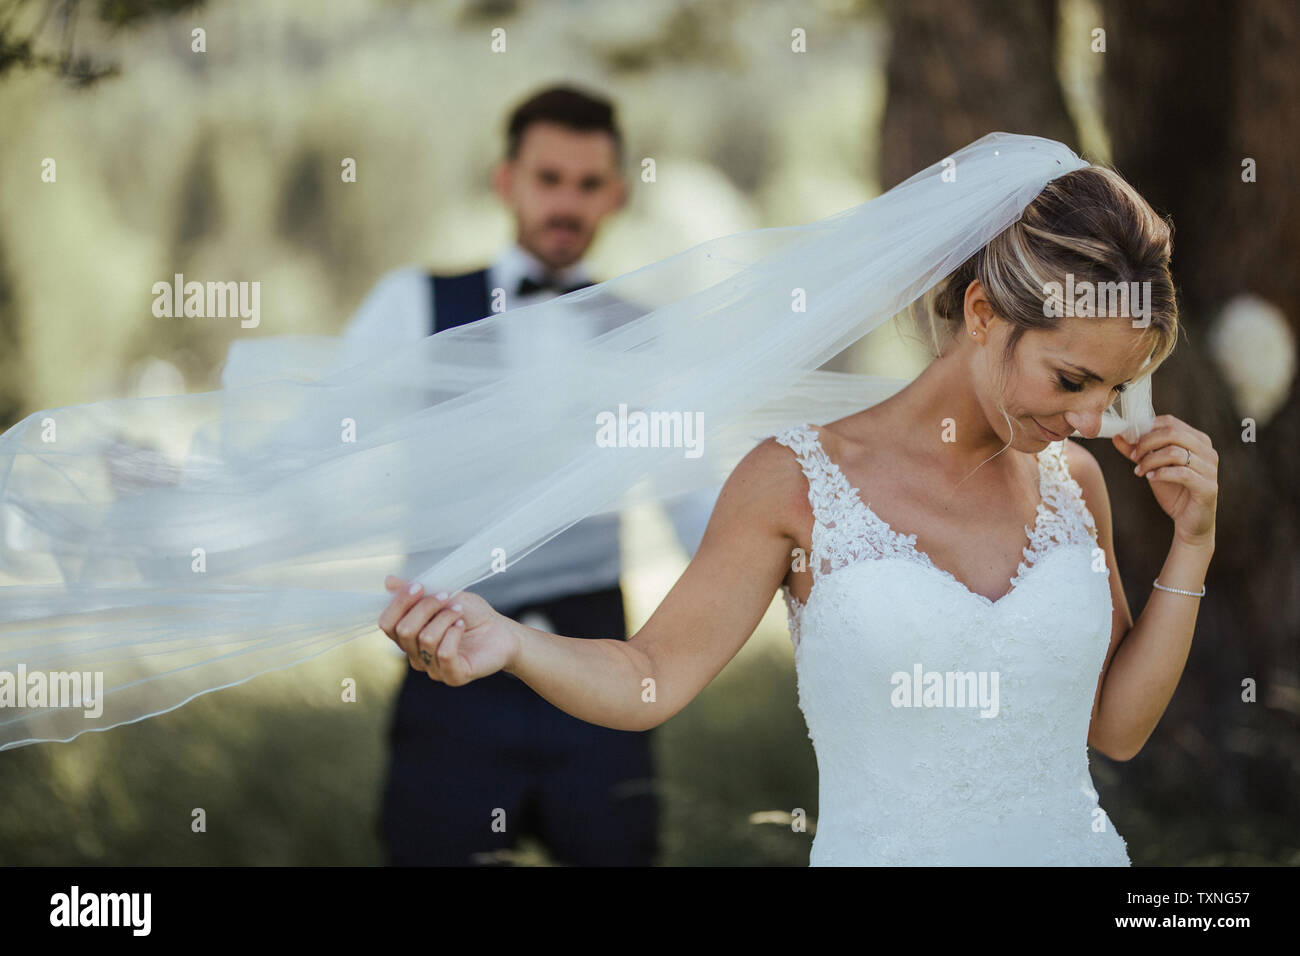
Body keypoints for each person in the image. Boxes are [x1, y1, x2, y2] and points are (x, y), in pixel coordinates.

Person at [376, 162, 1220, 865]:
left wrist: (1192, 543)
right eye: (1071, 381)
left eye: (1116, 390)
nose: (1088, 419)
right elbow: (651, 678)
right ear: (981, 314)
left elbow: (1115, 728)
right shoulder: (795, 481)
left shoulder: (1076, 482)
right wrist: (514, 642)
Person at [343, 85, 716, 866]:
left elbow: (695, 509)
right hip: (444, 676)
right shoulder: (413, 306)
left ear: (616, 193)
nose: (567, 204)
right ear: (506, 180)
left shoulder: (641, 332)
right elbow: (316, 455)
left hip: (598, 682)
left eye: (588, 185)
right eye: (549, 179)